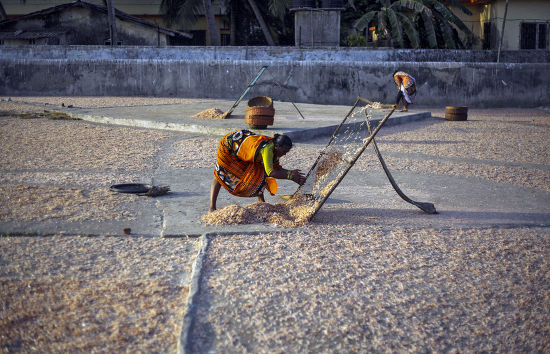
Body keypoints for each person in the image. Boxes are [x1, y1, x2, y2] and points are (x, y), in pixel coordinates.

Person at [209, 129, 306, 212]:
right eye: (284, 151)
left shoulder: (274, 148)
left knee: (258, 173)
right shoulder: (267, 149)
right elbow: (271, 172)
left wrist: (291, 173)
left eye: (286, 152)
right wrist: (290, 176)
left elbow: (276, 168)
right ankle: (212, 208)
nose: (284, 154)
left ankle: (261, 202)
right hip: (229, 146)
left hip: (243, 149)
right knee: (221, 173)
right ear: (277, 146)